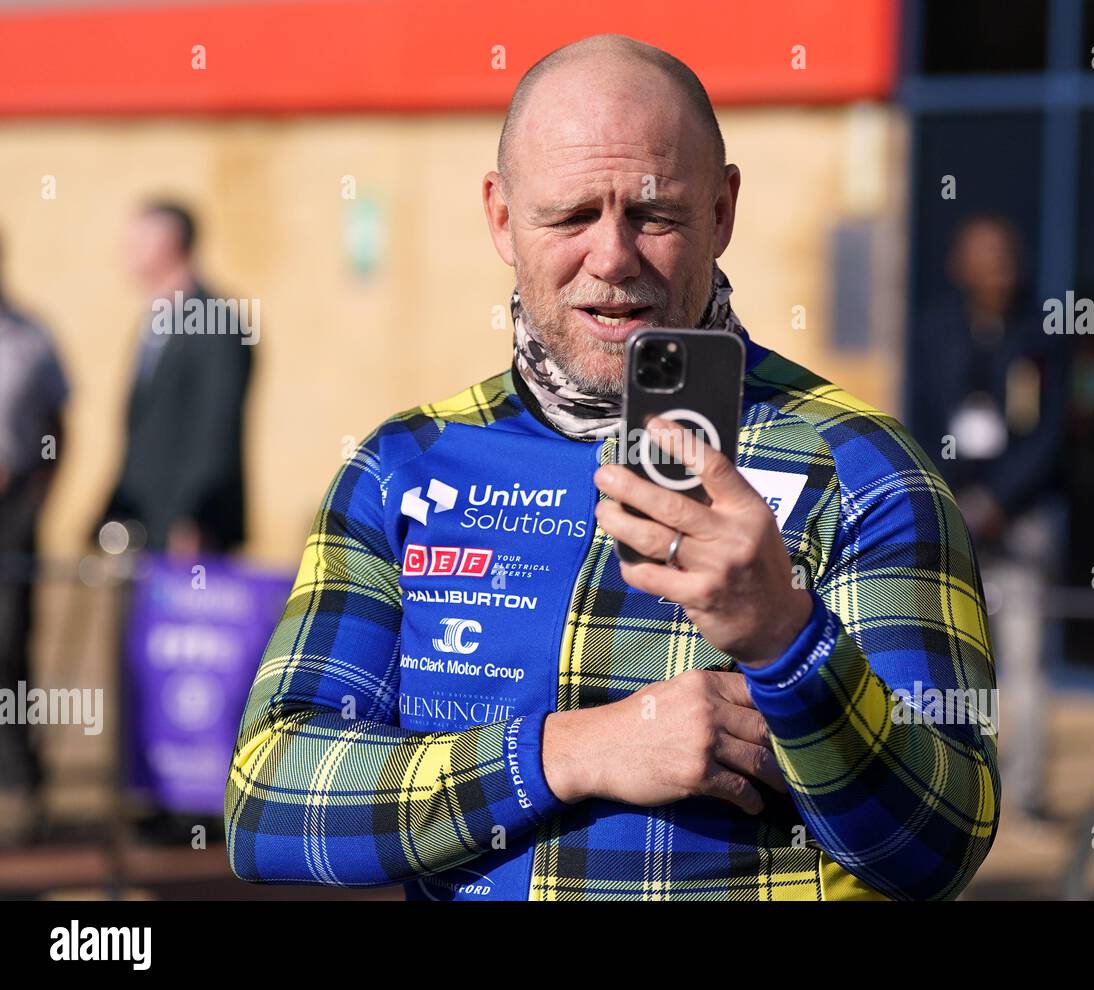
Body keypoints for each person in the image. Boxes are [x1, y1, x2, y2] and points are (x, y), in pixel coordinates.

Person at [225, 35, 1000, 901]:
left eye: (655, 214)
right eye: (569, 216)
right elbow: (266, 804)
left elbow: (942, 844)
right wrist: (575, 752)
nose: (612, 257)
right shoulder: (404, 465)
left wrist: (788, 642)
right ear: (500, 217)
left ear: (723, 209)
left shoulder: (860, 469)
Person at [911, 214, 1069, 820]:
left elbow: (1050, 432)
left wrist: (1001, 501)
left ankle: (1025, 792)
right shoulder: (936, 332)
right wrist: (951, 500)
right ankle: (957, 788)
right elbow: (920, 422)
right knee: (952, 657)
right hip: (952, 515)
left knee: (1026, 659)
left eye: (1006, 256)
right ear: (961, 266)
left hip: (1020, 518)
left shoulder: (1040, 334)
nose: (998, 270)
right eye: (984, 258)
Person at [100, 201, 253, 556]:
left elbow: (217, 427)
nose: (126, 251)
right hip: (143, 522)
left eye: (139, 240)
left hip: (188, 531)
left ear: (170, 244)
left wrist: (193, 516)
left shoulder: (215, 320)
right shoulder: (157, 320)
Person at [0, 232, 69, 844]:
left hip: (10, 514)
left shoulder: (29, 338)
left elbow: (57, 425)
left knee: (8, 645)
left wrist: (35, 498)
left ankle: (20, 786)